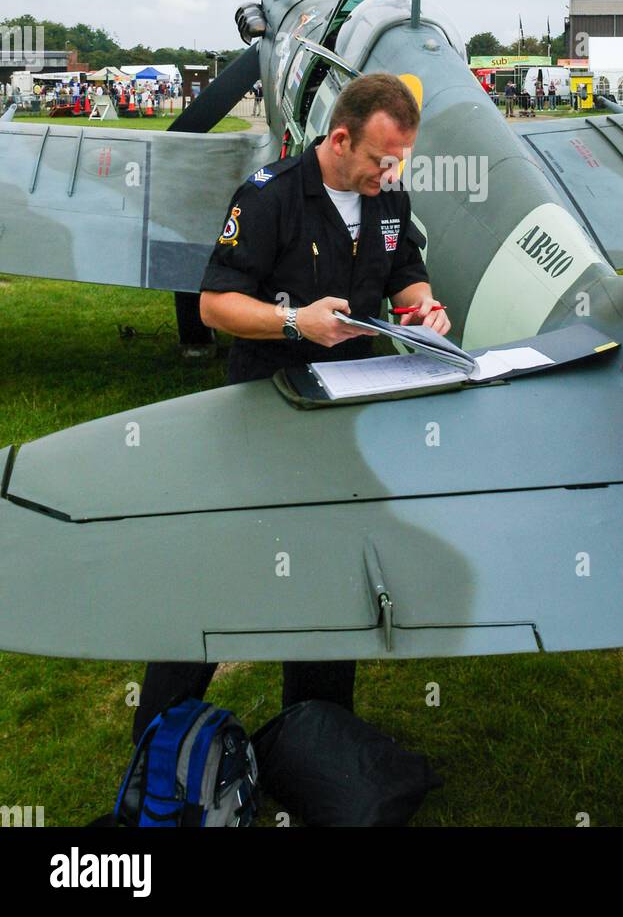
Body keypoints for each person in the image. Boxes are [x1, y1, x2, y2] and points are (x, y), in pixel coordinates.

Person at [132, 72, 449, 744]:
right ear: (339, 138)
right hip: (265, 405)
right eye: (378, 160)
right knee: (224, 565)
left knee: (330, 569)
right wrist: (293, 322)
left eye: (399, 163)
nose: (389, 174)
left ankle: (317, 733)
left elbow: (402, 269)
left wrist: (421, 305)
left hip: (348, 410)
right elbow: (216, 305)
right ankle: (160, 730)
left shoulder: (387, 192)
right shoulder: (269, 196)